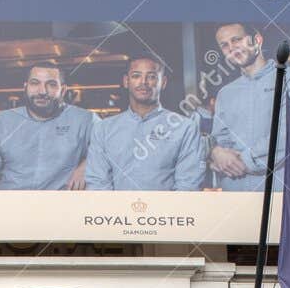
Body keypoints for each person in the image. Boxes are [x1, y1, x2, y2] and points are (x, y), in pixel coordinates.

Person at [208, 24, 290, 191]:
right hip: (236, 191)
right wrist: (215, 153)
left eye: (236, 40)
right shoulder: (225, 93)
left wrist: (240, 162)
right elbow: (220, 139)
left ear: (257, 40)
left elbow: (288, 135)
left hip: (285, 190)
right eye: (224, 45)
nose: (231, 48)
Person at [0, 64, 95, 190]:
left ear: (63, 90)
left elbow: (111, 148)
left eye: (51, 84)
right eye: (35, 83)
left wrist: (87, 165)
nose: (42, 91)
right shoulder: (1, 121)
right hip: (11, 206)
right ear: (25, 87)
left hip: (59, 208)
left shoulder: (85, 120)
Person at [85, 56, 206, 191]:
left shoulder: (185, 128)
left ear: (163, 82)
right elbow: (97, 183)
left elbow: (188, 185)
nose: (143, 82)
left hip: (168, 211)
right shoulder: (103, 129)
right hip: (117, 211)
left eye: (152, 77)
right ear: (126, 81)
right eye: (136, 76)